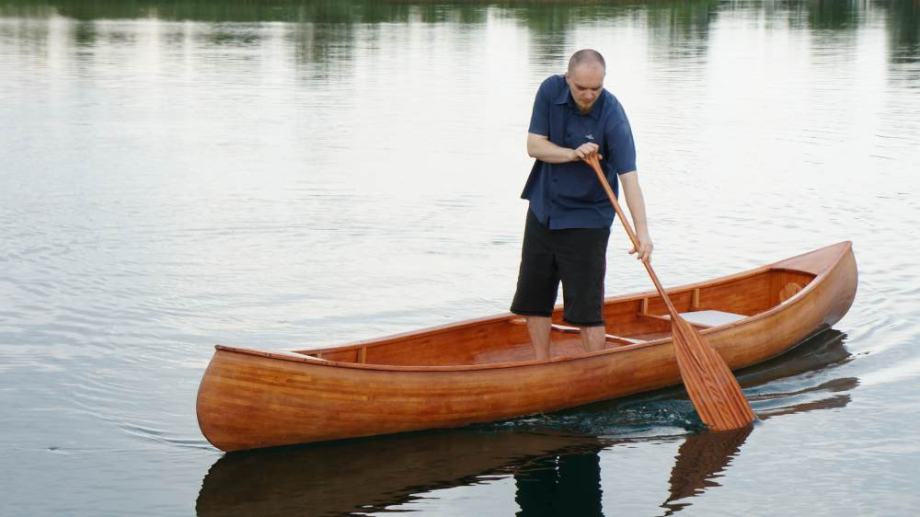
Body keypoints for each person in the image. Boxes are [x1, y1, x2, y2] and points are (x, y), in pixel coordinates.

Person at [511, 49, 653, 361]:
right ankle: (540, 364)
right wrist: (574, 153)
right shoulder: (550, 90)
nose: (588, 95)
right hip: (543, 209)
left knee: (587, 308)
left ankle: (596, 370)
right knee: (534, 298)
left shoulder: (613, 115)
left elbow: (630, 179)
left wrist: (643, 233)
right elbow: (534, 146)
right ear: (568, 79)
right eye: (581, 88)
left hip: (588, 219)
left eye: (596, 88)